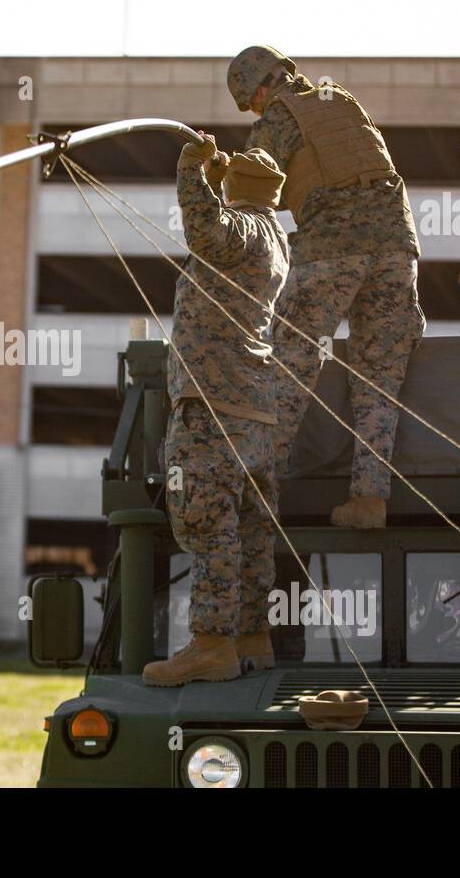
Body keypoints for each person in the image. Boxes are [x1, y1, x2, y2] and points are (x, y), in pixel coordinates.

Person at [229, 45, 426, 529]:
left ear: (258, 91)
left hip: (332, 247)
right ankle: (368, 502)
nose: (256, 111)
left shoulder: (277, 118)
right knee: (378, 379)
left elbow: (252, 189)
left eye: (251, 103)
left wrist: (214, 173)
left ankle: (257, 499)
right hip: (397, 248)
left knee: (288, 367)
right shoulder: (341, 101)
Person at [143, 137, 289, 687]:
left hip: (214, 410)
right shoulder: (276, 238)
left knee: (209, 527)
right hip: (254, 414)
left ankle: (210, 646)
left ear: (240, 194)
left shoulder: (245, 232)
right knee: (251, 532)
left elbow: (206, 228)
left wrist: (191, 168)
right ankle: (252, 637)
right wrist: (222, 176)